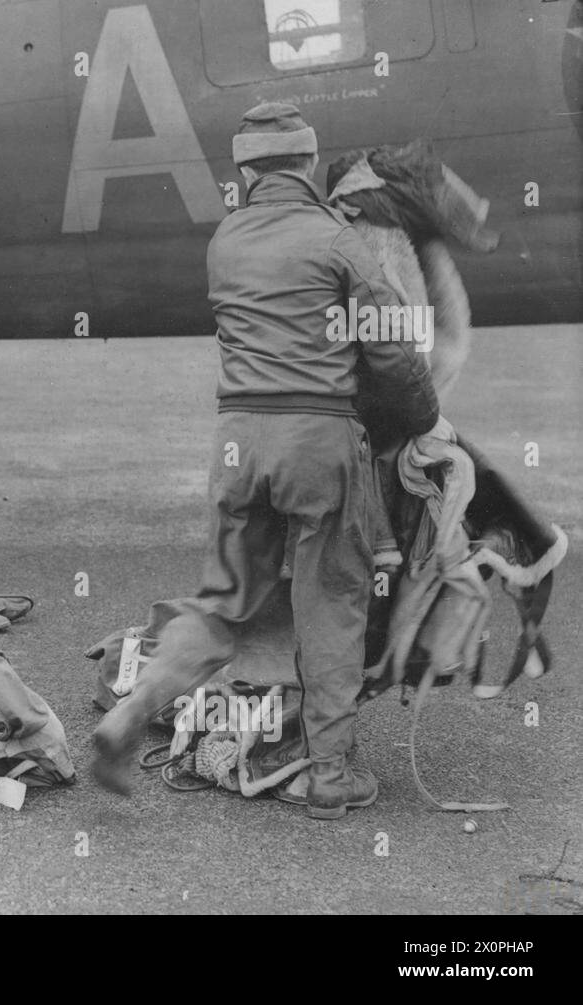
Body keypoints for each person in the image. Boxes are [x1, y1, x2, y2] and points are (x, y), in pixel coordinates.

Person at [91, 104, 452, 819]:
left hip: (237, 440)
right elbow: (390, 350)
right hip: (316, 440)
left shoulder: (225, 240)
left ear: (245, 171)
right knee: (332, 603)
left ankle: (135, 706)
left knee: (223, 600)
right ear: (309, 163)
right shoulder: (337, 239)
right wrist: (423, 420)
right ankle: (330, 773)